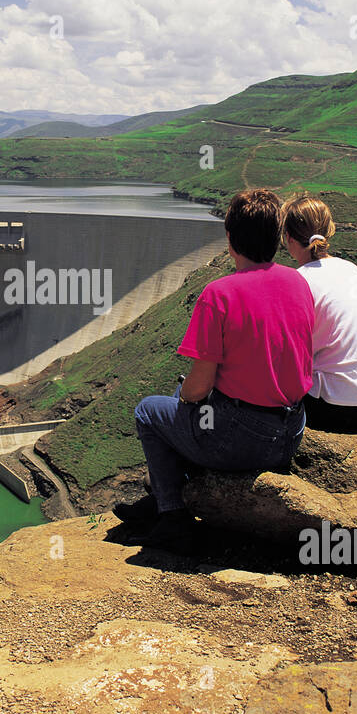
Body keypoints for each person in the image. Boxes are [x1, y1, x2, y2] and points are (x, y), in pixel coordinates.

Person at [115, 188, 314, 549]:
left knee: (149, 410)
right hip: (290, 431)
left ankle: (172, 515)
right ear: (277, 238)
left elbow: (197, 387)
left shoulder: (220, 294)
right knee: (182, 401)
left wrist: (188, 401)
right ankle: (163, 497)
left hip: (242, 438)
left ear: (230, 239)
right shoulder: (298, 282)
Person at [281, 194, 357, 433]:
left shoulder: (299, 281)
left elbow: (287, 355)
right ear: (329, 231)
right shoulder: (355, 272)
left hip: (329, 408)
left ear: (288, 238)